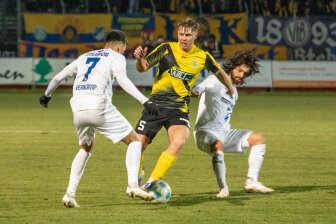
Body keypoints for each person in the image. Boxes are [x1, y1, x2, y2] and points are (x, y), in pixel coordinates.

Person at [39, 30, 159, 207]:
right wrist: (145, 101)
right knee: (134, 141)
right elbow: (123, 80)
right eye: (123, 50)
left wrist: (46, 95)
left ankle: (69, 194)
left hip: (78, 109)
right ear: (120, 46)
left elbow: (58, 77)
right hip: (98, 106)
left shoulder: (84, 56)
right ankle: (133, 184)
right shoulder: (116, 57)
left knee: (85, 148)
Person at [133, 18, 235, 189]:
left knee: (179, 142)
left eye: (188, 35)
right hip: (155, 106)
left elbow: (219, 72)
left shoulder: (202, 56)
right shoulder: (166, 48)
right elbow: (142, 67)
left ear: (195, 36)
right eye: (181, 34)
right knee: (137, 146)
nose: (183, 38)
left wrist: (230, 88)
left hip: (178, 109)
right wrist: (139, 59)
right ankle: (137, 175)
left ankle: (151, 183)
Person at [192, 49, 274, 198]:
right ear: (232, 66)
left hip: (224, 133)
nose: (241, 75)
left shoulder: (234, 92)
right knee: (217, 144)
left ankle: (252, 182)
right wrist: (196, 91)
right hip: (204, 132)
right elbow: (200, 87)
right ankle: (223, 188)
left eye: (245, 73)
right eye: (240, 70)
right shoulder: (215, 80)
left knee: (258, 140)